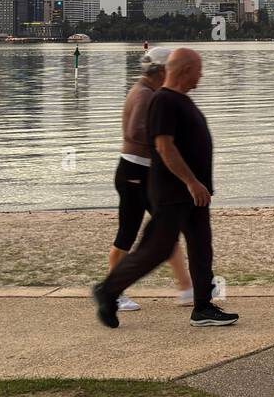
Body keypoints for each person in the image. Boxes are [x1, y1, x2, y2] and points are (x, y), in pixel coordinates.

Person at [94, 48, 238, 328]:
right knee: (155, 250)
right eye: (198, 69)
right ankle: (108, 290)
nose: (202, 74)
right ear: (184, 70)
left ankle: (202, 307)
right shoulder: (162, 100)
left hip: (193, 195)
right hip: (174, 193)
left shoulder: (179, 100)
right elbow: (163, 146)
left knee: (201, 249)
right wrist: (191, 182)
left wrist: (199, 185)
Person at [111, 46, 192, 311]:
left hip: (143, 172)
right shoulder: (145, 95)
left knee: (166, 229)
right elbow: (136, 131)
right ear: (160, 72)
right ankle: (113, 291)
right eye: (170, 71)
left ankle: (186, 288)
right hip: (134, 173)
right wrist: (164, 141)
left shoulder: (148, 91)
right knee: (127, 234)